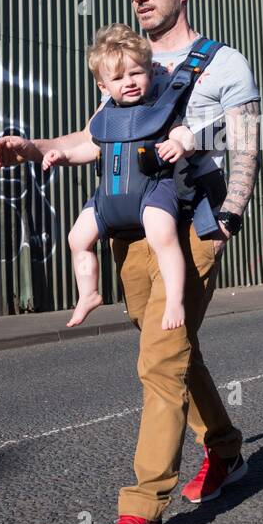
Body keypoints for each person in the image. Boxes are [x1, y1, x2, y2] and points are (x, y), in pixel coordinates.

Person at [0, 0, 261, 524]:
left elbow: (248, 137)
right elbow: (92, 137)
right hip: (126, 230)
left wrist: (230, 214)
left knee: (160, 359)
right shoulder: (125, 62)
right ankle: (223, 449)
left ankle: (141, 511)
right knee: (161, 339)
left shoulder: (222, 64)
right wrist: (33, 147)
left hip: (187, 223)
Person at [44, 24, 198, 331]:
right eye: (117, 78)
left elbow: (186, 135)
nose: (128, 82)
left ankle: (174, 300)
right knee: (77, 238)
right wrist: (62, 156)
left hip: (151, 192)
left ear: (150, 73)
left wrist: (179, 144)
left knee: (162, 235)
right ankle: (88, 294)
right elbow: (89, 148)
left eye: (135, 74)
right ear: (103, 87)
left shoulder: (160, 110)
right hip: (107, 200)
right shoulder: (104, 118)